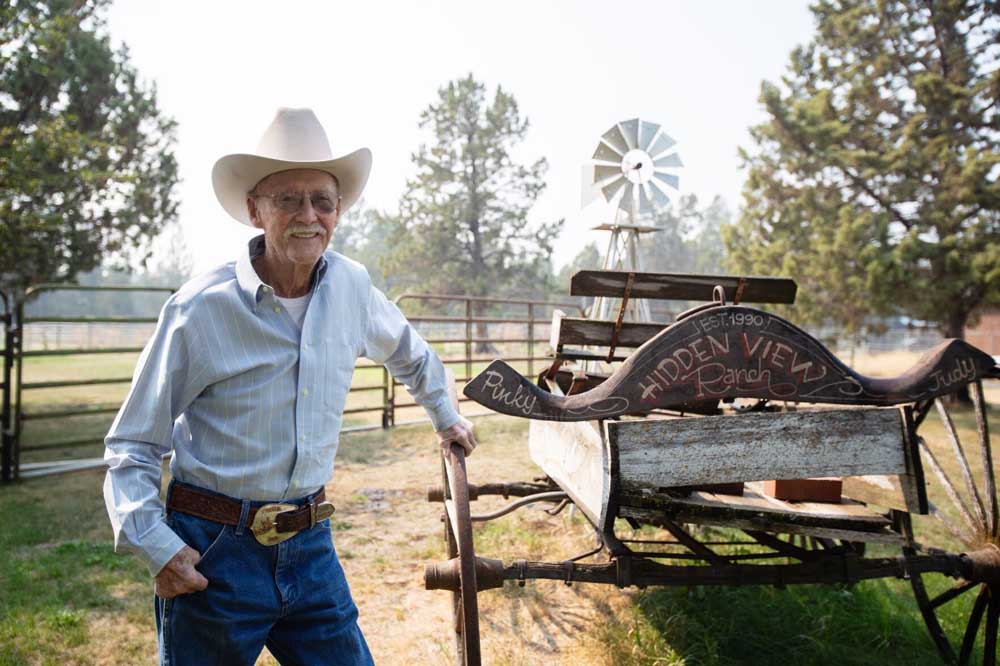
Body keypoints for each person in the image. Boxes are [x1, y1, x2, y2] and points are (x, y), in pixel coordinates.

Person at [103, 107, 477, 665]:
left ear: (338, 211)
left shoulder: (352, 286)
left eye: (322, 201)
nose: (309, 215)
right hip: (212, 551)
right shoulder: (199, 311)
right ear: (255, 210)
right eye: (288, 200)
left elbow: (409, 351)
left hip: (309, 544)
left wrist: (445, 417)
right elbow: (132, 445)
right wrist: (158, 547)